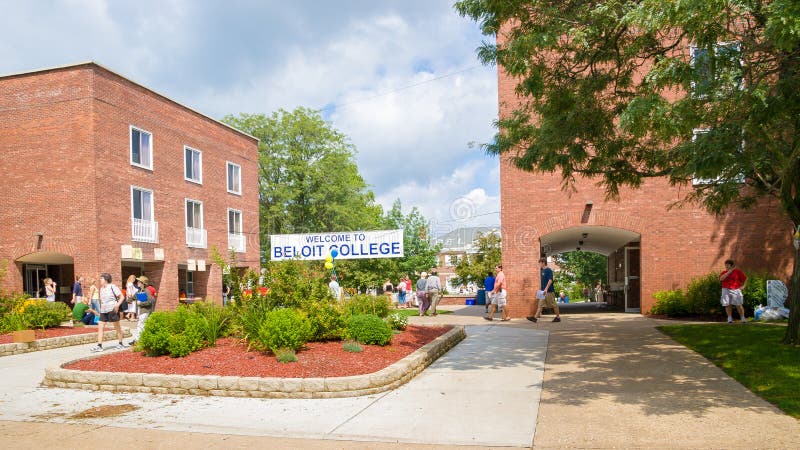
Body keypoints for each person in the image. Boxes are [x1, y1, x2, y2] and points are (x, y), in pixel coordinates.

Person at [90, 273, 128, 352]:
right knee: (100, 326)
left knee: (117, 327)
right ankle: (99, 345)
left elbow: (122, 297)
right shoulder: (101, 289)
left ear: (106, 279)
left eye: (101, 278)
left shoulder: (112, 287)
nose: (100, 280)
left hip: (112, 309)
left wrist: (117, 305)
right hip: (103, 310)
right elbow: (101, 300)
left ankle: (120, 343)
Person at [528, 257, 561, 323]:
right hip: (542, 291)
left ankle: (558, 317)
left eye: (540, 263)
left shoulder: (548, 270)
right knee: (540, 305)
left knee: (554, 305)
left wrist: (546, 289)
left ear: (543, 263)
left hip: (549, 291)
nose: (539, 265)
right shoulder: (542, 271)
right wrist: (541, 289)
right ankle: (535, 318)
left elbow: (550, 280)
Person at [128, 276, 156, 346]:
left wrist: (141, 303)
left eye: (139, 282)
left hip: (145, 311)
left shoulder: (146, 291)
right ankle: (144, 340)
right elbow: (133, 298)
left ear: (143, 283)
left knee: (140, 325)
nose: (137, 282)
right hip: (140, 311)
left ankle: (137, 341)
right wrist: (123, 301)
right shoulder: (139, 291)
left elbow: (150, 302)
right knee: (143, 325)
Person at [720, 259, 747, 324]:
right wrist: (729, 272)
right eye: (725, 265)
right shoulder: (724, 272)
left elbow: (745, 279)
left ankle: (742, 317)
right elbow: (721, 279)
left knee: (739, 304)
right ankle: (729, 318)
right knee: (727, 304)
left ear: (731, 265)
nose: (726, 266)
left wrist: (743, 286)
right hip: (725, 289)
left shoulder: (737, 272)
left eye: (728, 264)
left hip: (736, 289)